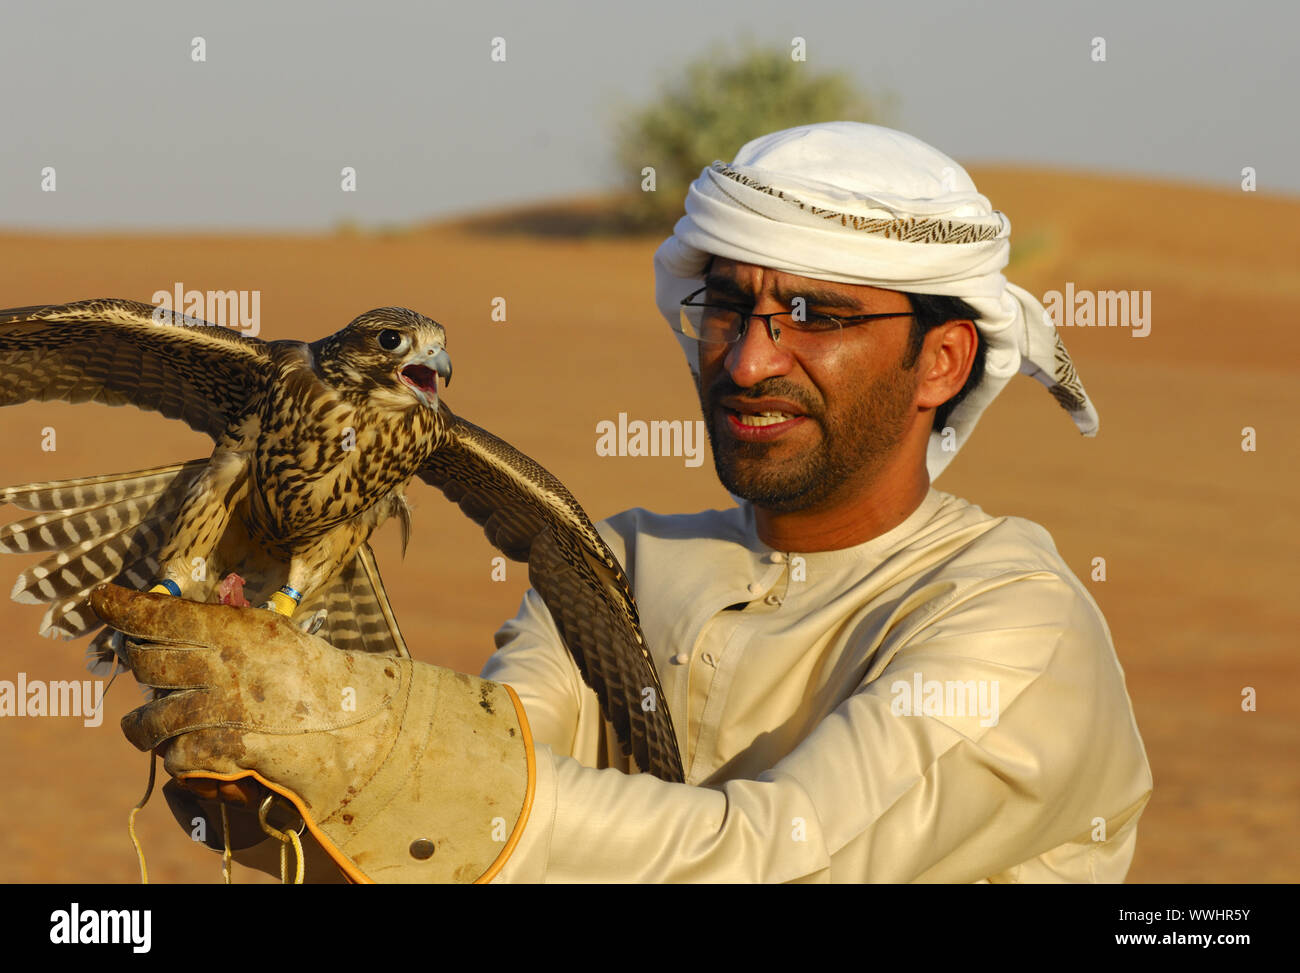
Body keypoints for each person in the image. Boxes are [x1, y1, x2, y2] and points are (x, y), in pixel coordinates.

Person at [95, 122, 1152, 883]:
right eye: (727, 307)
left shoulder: (1013, 619)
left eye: (813, 315)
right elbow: (492, 794)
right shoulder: (628, 561)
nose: (747, 359)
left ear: (941, 362)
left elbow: (771, 858)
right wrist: (289, 786)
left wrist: (382, 740)